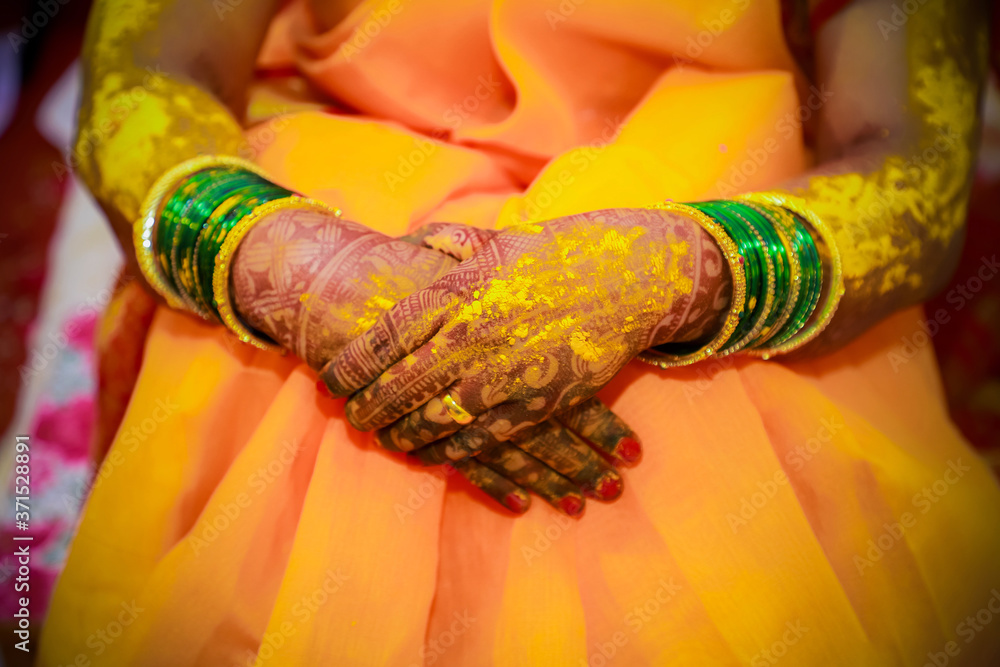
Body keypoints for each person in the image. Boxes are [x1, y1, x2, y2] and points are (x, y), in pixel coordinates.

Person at [40, 0, 1000, 664]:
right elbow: (148, 72)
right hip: (324, 229)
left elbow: (910, 160)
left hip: (720, 229)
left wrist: (683, 270)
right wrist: (294, 264)